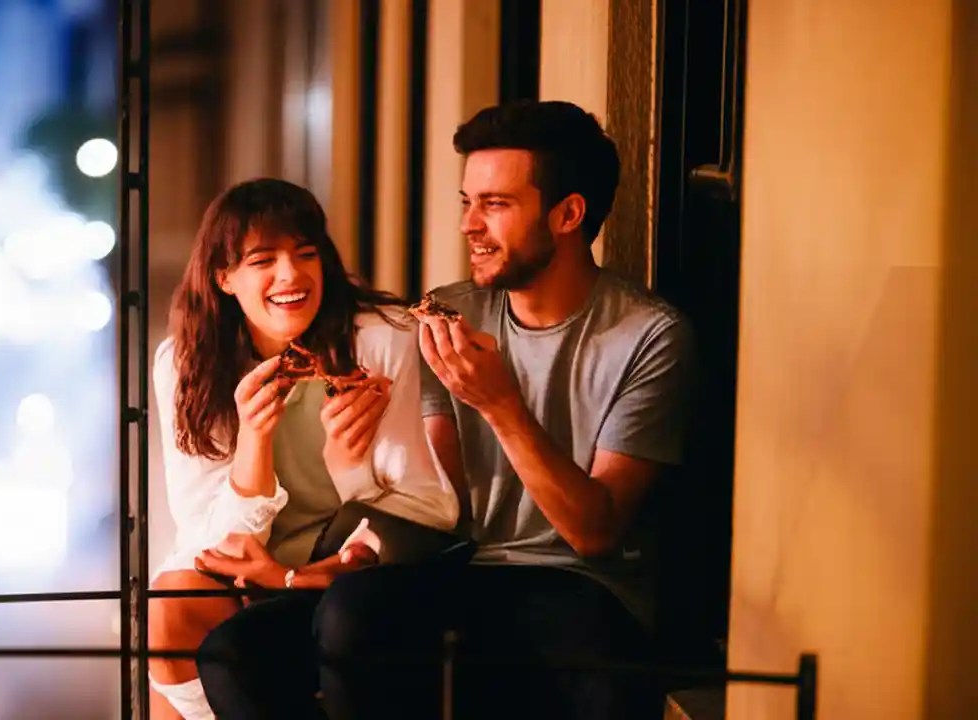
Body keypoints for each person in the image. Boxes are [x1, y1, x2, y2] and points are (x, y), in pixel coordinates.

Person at [310, 100, 696, 719]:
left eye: (495, 204)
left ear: (568, 214)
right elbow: (447, 499)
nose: (468, 225)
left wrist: (500, 403)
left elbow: (593, 531)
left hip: (585, 587)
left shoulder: (649, 336)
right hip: (467, 566)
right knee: (294, 631)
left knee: (585, 667)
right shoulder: (451, 310)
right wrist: (359, 460)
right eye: (467, 201)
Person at [149, 178, 459, 720]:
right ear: (224, 278)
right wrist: (254, 439)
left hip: (345, 565)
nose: (290, 274)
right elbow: (209, 538)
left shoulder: (380, 341)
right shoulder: (186, 363)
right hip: (243, 570)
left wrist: (351, 467)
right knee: (168, 608)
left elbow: (427, 506)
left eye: (306, 254)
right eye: (263, 260)